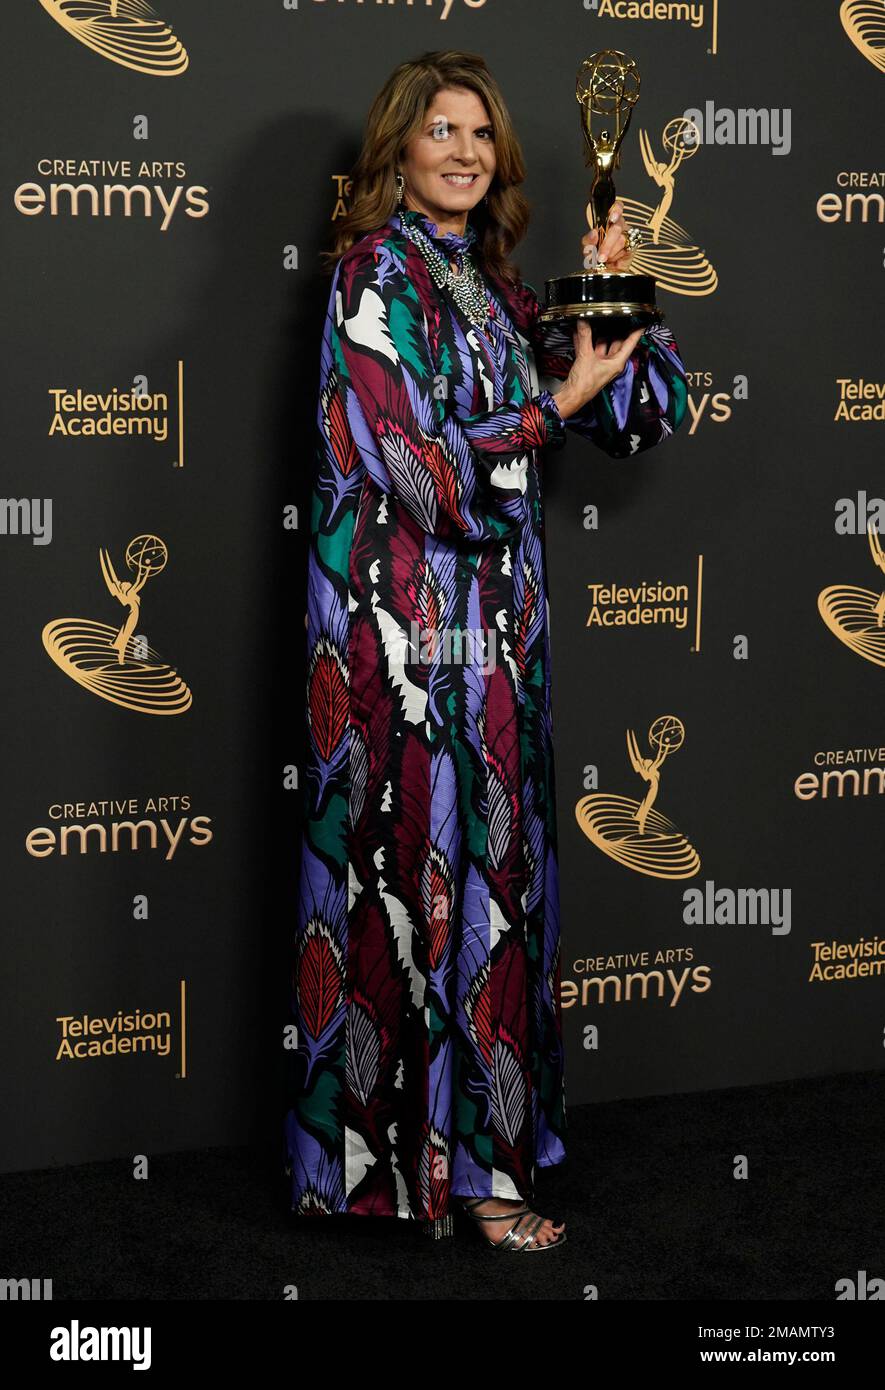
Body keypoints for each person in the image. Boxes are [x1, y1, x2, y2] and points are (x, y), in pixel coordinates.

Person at [284, 49, 687, 1253]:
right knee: (410, 885)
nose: (463, 151)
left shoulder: (495, 289)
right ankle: (403, 1171)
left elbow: (637, 413)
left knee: (495, 897)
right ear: (398, 148)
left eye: (479, 135)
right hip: (395, 639)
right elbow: (412, 468)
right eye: (439, 130)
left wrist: (623, 289)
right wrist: (548, 410)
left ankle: (485, 1162)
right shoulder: (372, 276)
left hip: (497, 640)